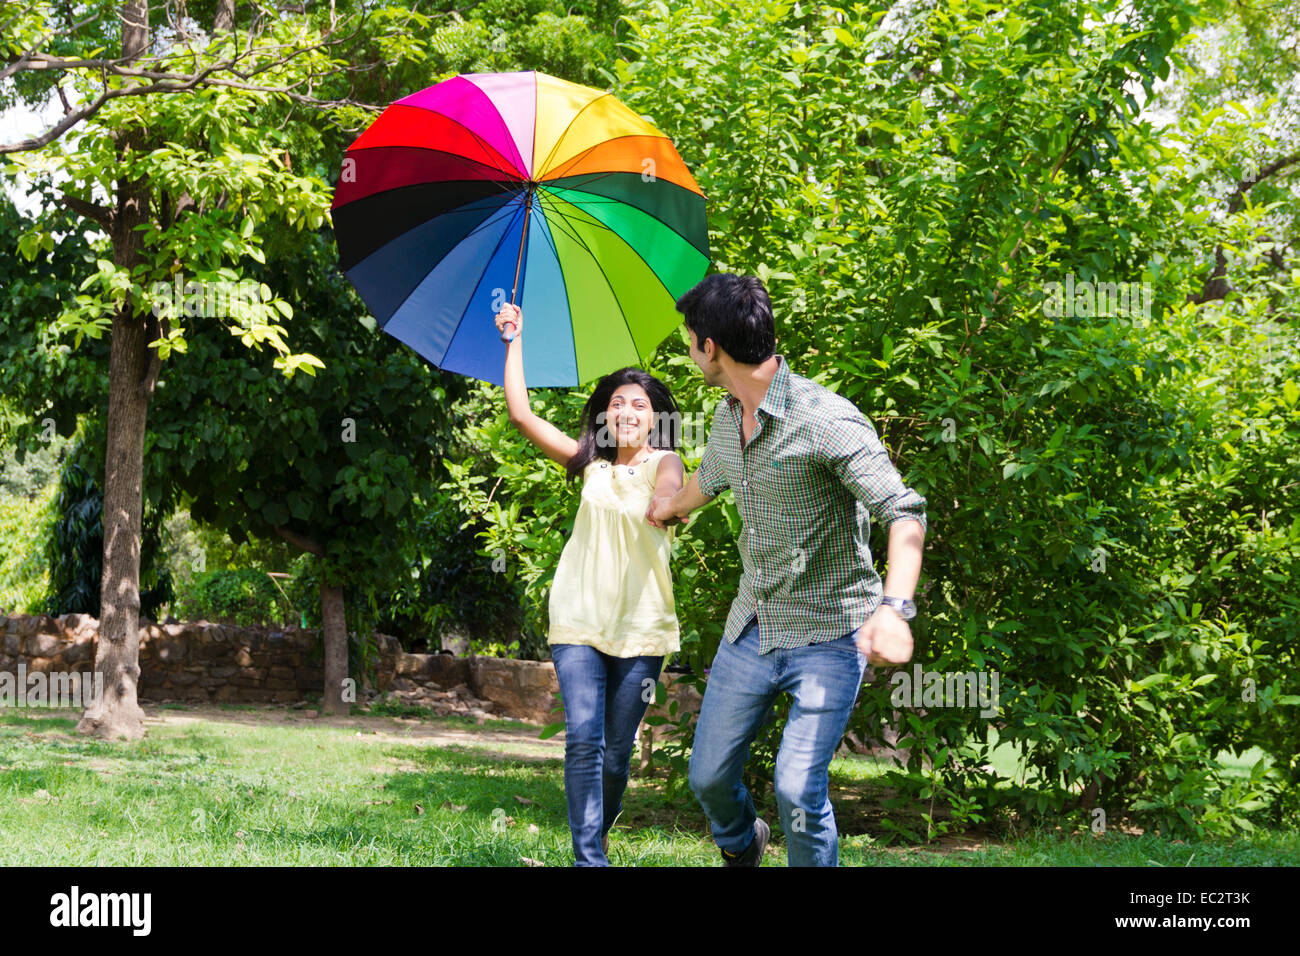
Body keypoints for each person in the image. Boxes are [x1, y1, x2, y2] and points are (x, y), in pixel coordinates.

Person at [646, 274, 927, 867]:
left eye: (688, 339)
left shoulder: (827, 420)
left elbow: (902, 513)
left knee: (799, 789)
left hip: (829, 632)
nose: (688, 349)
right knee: (708, 777)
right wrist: (670, 507)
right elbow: (710, 478)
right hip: (753, 625)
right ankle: (743, 844)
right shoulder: (729, 416)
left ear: (710, 347)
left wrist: (896, 607)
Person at [494, 302, 685, 866]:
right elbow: (523, 416)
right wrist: (515, 339)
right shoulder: (590, 464)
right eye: (617, 403)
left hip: (641, 627)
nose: (626, 411)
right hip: (577, 617)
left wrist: (665, 507)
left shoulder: (664, 463)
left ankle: (596, 837)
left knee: (615, 756)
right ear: (604, 415)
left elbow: (672, 493)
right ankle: (588, 859)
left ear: (655, 417)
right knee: (583, 736)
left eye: (639, 404)